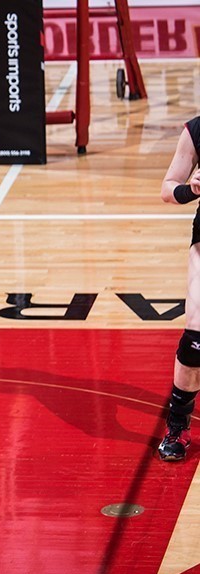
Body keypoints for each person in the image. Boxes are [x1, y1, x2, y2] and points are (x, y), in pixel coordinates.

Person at [157, 115, 200, 461]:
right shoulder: (197, 130)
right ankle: (178, 425)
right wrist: (192, 189)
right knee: (196, 340)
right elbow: (168, 187)